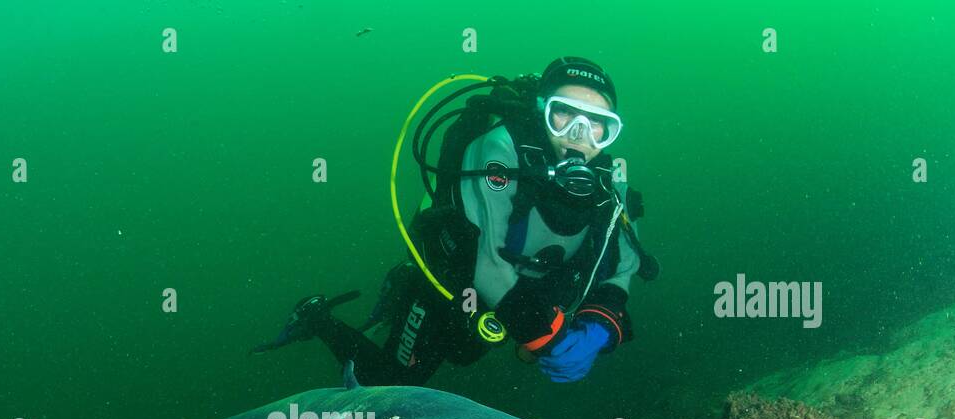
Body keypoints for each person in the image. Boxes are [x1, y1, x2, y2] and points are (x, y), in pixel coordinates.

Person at [254, 57, 657, 385]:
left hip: (515, 301)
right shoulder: (498, 150)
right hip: (449, 283)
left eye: (597, 123)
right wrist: (548, 336)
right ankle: (317, 317)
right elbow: (487, 265)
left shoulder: (611, 182)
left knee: (463, 353)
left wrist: (599, 329)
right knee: (389, 382)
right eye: (563, 114)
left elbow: (621, 266)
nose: (579, 135)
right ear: (540, 111)